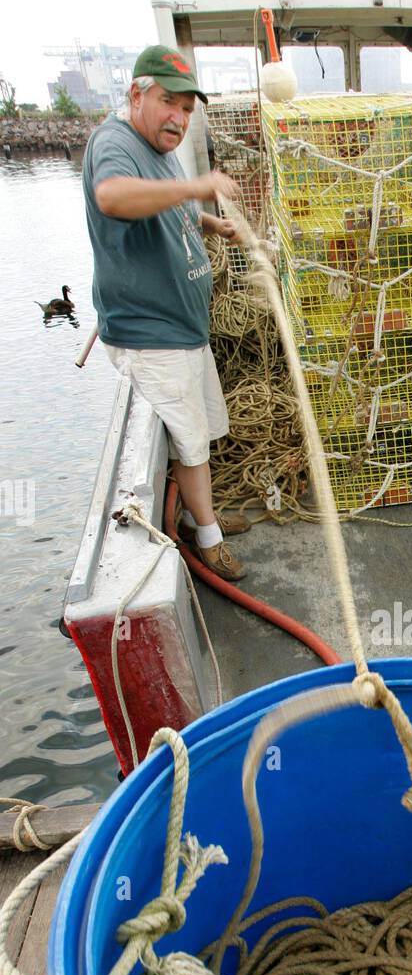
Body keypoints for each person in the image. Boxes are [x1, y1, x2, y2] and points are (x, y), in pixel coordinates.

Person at [82, 44, 249, 580]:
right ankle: (208, 538)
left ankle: (206, 516)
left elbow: (165, 202)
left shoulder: (158, 145)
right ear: (137, 94)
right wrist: (198, 184)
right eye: (168, 103)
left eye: (186, 109)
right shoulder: (114, 142)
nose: (178, 117)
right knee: (191, 441)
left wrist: (206, 221)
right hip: (152, 337)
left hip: (184, 329)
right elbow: (113, 196)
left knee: (199, 434)